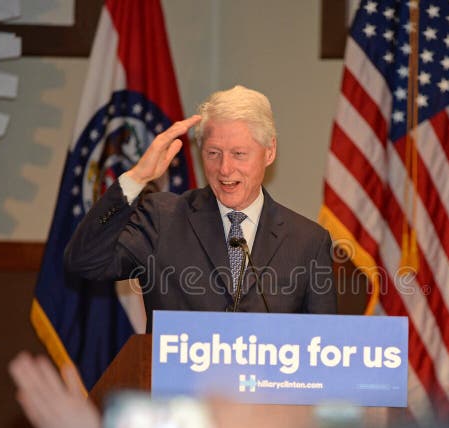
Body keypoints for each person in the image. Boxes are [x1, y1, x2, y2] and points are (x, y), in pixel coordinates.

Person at [64, 85, 337, 329]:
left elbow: (323, 347)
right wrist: (137, 179)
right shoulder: (161, 219)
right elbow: (85, 261)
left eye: (239, 154)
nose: (224, 168)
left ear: (269, 151)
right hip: (176, 385)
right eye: (213, 154)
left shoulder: (308, 242)